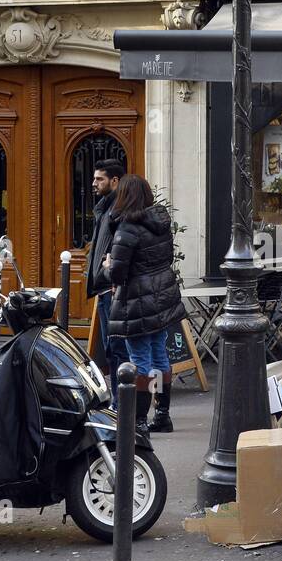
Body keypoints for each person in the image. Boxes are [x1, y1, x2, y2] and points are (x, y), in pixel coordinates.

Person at [105, 174, 186, 434]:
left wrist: (107, 267)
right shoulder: (160, 223)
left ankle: (139, 420)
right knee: (159, 355)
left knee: (138, 358)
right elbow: (165, 258)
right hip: (161, 298)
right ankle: (162, 414)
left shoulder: (127, 228)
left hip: (137, 302)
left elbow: (118, 272)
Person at [86, 159, 127, 407]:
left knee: (117, 347)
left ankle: (121, 403)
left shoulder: (119, 210)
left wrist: (111, 275)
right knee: (112, 347)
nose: (94, 183)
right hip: (104, 287)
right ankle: (119, 401)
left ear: (115, 181)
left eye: (99, 179)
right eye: (94, 178)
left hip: (112, 287)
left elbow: (120, 249)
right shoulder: (104, 208)